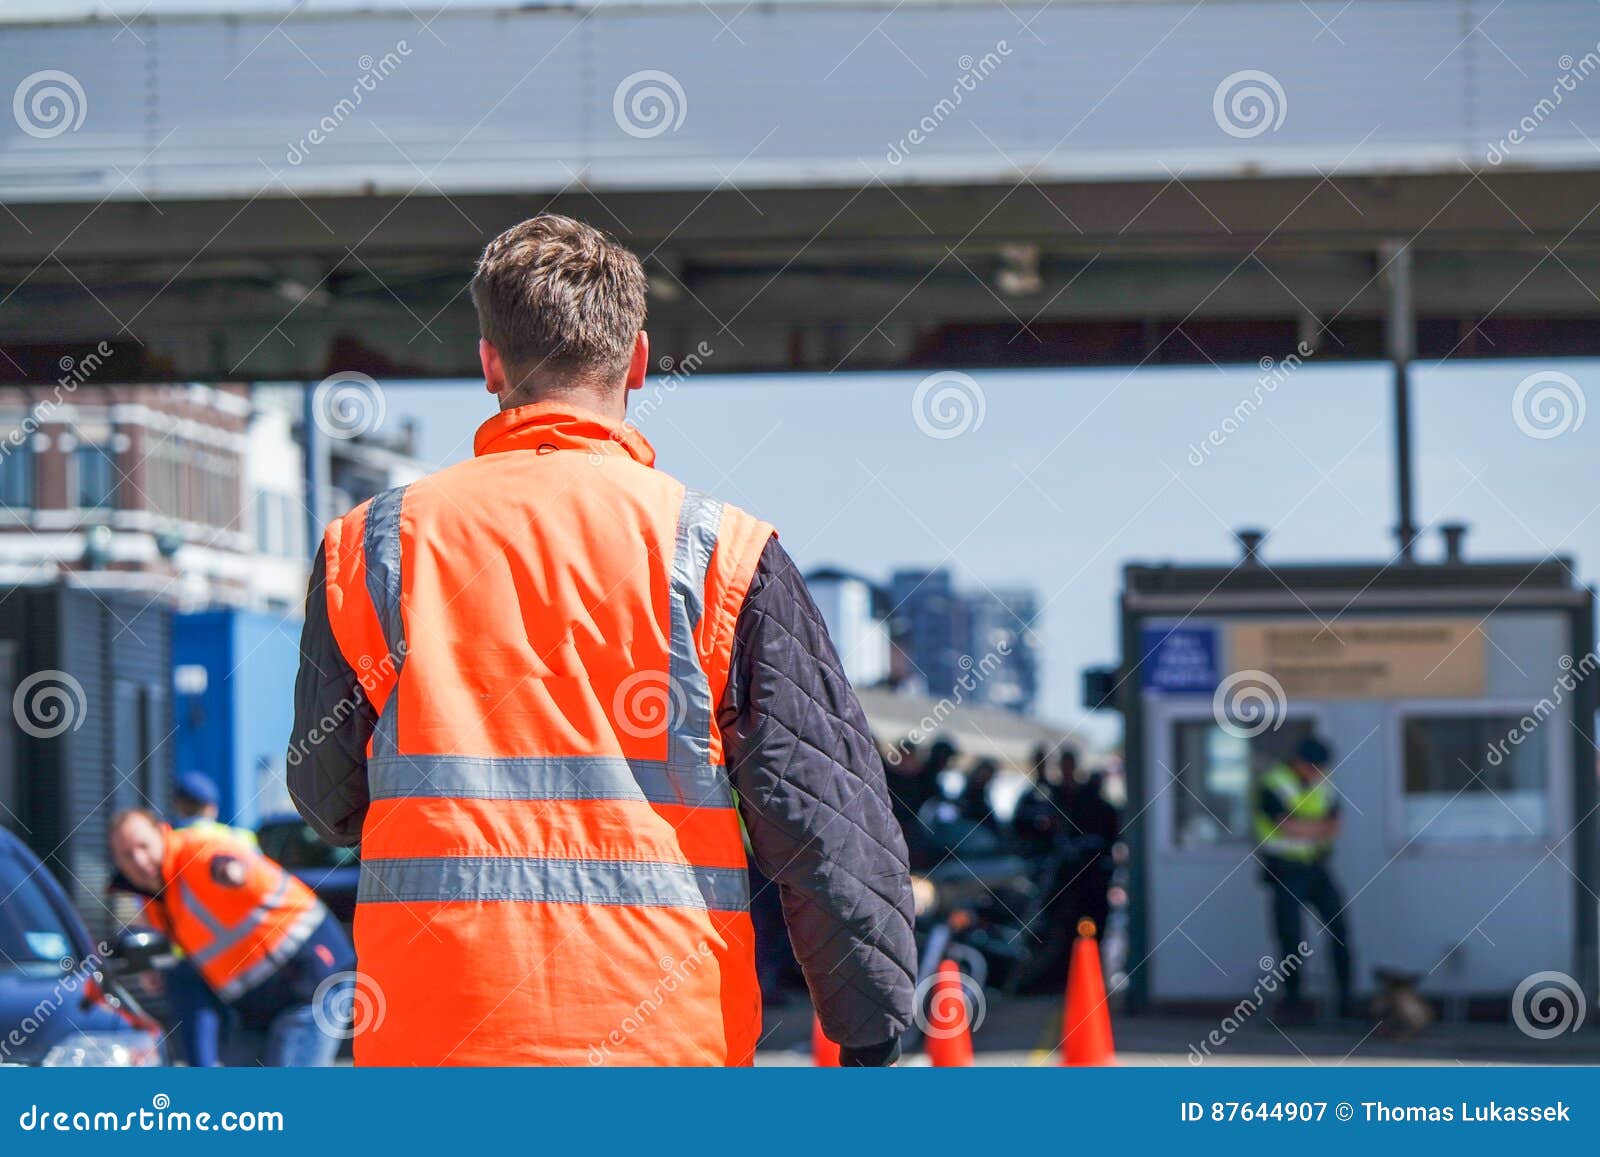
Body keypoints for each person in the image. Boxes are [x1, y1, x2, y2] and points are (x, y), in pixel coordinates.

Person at [287, 214, 916, 1067]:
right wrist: (869, 1029)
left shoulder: (373, 547)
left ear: (489, 363)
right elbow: (824, 810)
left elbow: (328, 797)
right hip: (662, 1043)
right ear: (640, 360)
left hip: (434, 1042)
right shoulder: (722, 554)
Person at [108, 809, 354, 1065]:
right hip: (257, 1008)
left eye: (143, 846)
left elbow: (228, 863)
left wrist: (233, 871)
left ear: (162, 833)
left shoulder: (197, 852)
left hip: (310, 980)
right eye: (127, 854)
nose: (138, 858)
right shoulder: (155, 900)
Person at [1253, 736, 1355, 1020]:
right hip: (1284, 870)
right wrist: (1315, 829)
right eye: (1314, 767)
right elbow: (1285, 827)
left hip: (1317, 869)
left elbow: (1334, 826)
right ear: (1299, 762)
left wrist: (1305, 828)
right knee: (1290, 938)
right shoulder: (1274, 783)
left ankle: (1346, 1002)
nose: (1319, 773)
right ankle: (1294, 1003)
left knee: (1340, 930)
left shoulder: (1324, 783)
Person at [161, 772, 256, 1067]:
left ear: (178, 805)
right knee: (241, 1039)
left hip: (185, 958)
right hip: (239, 954)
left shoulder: (166, 846)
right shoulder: (240, 839)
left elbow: (152, 906)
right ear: (212, 807)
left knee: (197, 1044)